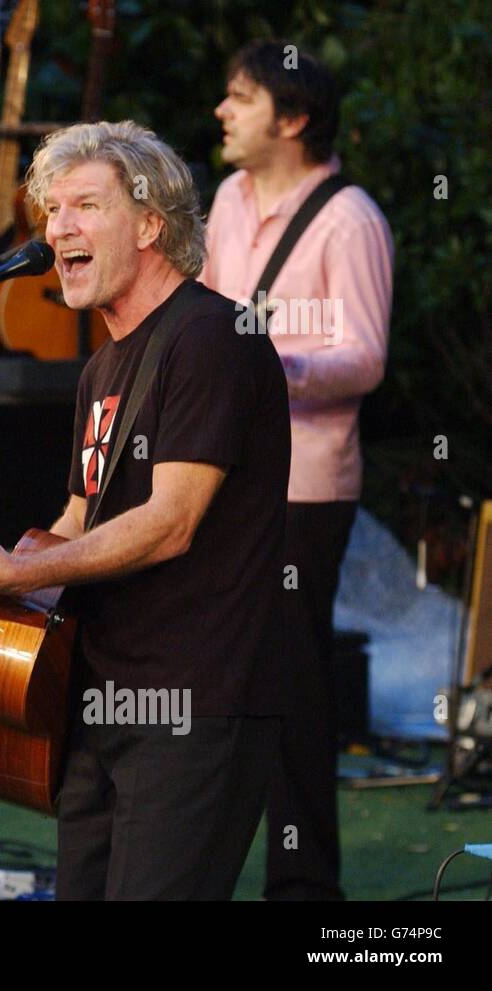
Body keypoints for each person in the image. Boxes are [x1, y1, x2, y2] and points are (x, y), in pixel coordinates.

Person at [0, 120, 290, 900]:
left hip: (195, 704)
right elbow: (79, 515)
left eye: (85, 206)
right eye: (51, 209)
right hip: (100, 695)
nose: (58, 227)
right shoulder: (103, 361)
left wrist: (17, 565)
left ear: (149, 224)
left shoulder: (212, 338)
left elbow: (171, 521)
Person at [201, 40, 393, 901]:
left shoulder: (350, 218)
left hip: (305, 487)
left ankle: (306, 889)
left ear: (293, 119)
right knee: (215, 678)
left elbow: (365, 357)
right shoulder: (228, 198)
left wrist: (268, 365)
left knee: (294, 684)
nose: (222, 111)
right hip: (218, 477)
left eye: (241, 98)